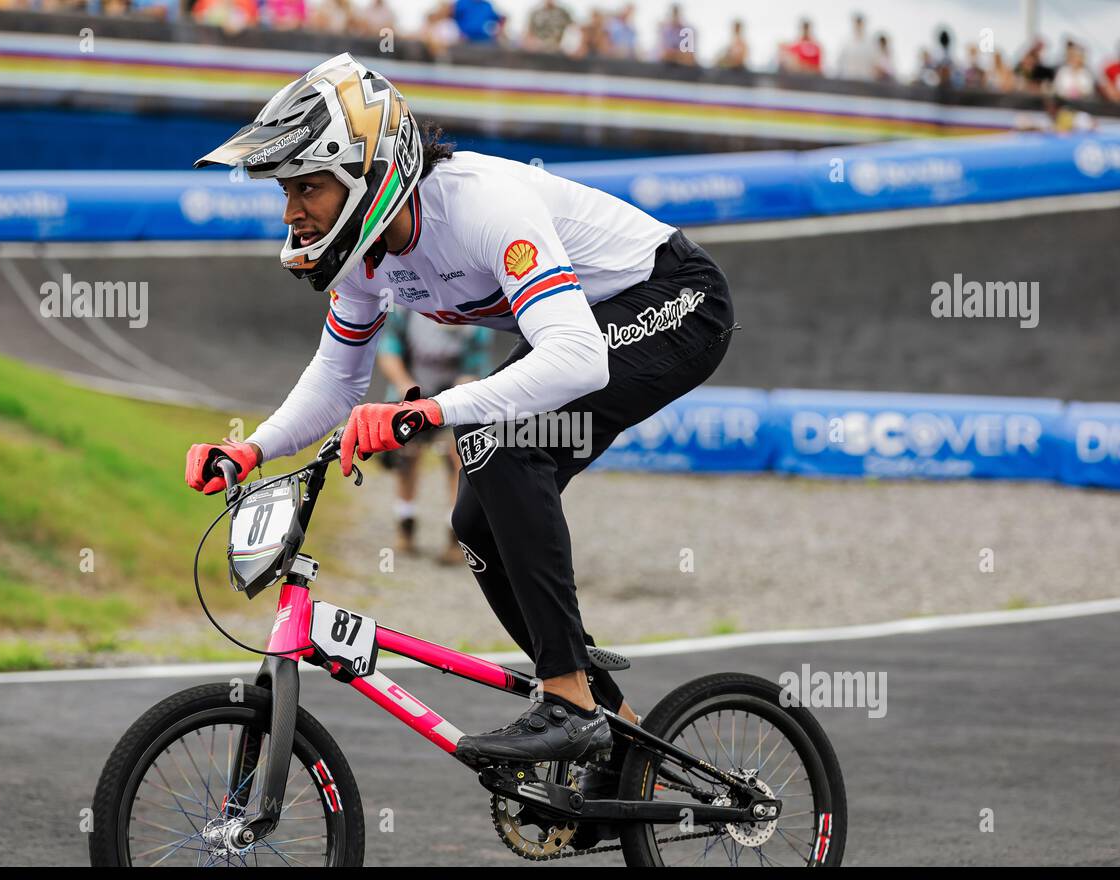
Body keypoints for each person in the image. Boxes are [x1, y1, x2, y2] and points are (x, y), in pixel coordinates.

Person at [186, 54, 737, 773]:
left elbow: (577, 359)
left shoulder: (480, 207)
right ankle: (612, 729)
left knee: (498, 444)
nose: (293, 211)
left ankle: (568, 702)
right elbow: (337, 379)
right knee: (474, 520)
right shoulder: (363, 257)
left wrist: (422, 414)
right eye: (288, 190)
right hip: (588, 327)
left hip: (677, 302)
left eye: (308, 186)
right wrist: (252, 450)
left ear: (369, 176)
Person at [376, 307, 491, 562]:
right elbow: (388, 351)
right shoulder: (404, 311)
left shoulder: (473, 314)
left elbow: (474, 364)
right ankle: (405, 526)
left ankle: (455, 536)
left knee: (457, 461)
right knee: (405, 459)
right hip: (411, 393)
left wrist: (452, 398)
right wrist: (406, 386)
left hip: (453, 398)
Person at [836, 13, 874, 82]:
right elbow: (840, 60)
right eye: (857, 23)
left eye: (860, 23)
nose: (858, 26)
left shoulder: (870, 43)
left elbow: (874, 62)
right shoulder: (846, 41)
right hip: (848, 79)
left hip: (865, 80)